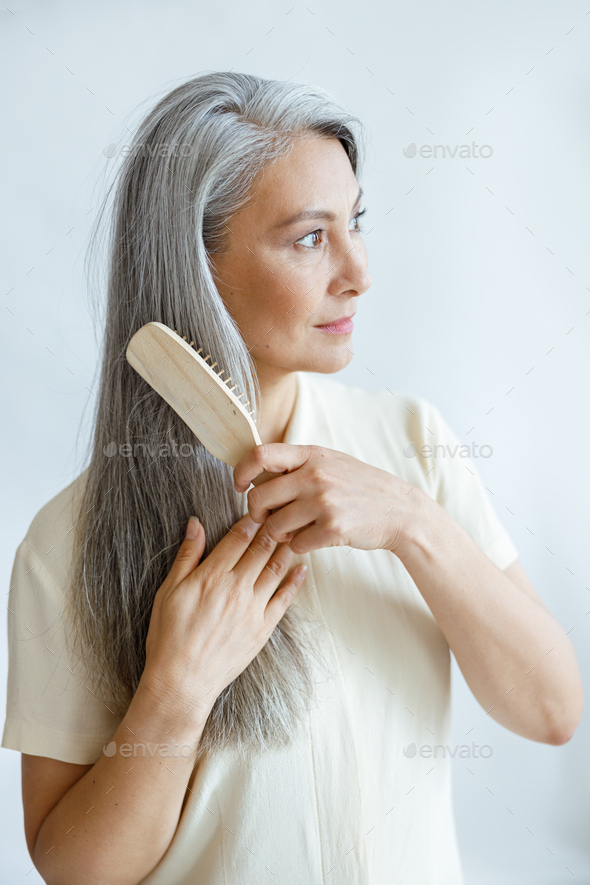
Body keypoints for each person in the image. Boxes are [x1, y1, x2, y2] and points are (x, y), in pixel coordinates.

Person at [2, 71, 583, 885]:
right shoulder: (67, 542)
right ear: (194, 268)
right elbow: (75, 870)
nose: (359, 270)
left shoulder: (411, 443)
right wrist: (177, 688)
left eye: (356, 222)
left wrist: (412, 522)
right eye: (311, 238)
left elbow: (554, 711)